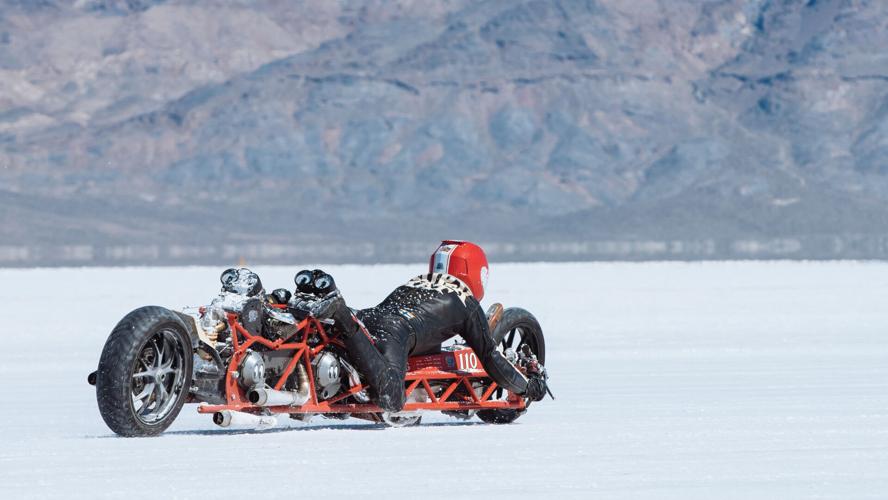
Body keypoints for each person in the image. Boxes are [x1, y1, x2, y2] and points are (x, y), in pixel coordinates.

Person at [289, 241, 548, 412]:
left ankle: (332, 311)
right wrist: (527, 387)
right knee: (392, 397)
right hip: (396, 330)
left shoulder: (420, 281)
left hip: (370, 317)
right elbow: (490, 357)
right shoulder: (465, 299)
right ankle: (341, 313)